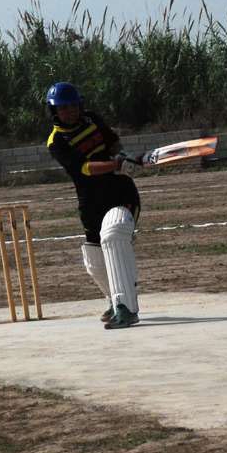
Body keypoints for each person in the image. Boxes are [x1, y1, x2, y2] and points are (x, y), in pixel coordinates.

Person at [45, 82, 142, 330]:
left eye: (73, 106)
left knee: (114, 235)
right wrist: (116, 165)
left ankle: (126, 309)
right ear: (54, 111)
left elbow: (114, 144)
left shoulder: (92, 120)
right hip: (91, 201)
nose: (70, 111)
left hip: (120, 192)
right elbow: (85, 169)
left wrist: (124, 156)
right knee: (94, 263)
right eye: (63, 108)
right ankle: (114, 299)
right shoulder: (56, 141)